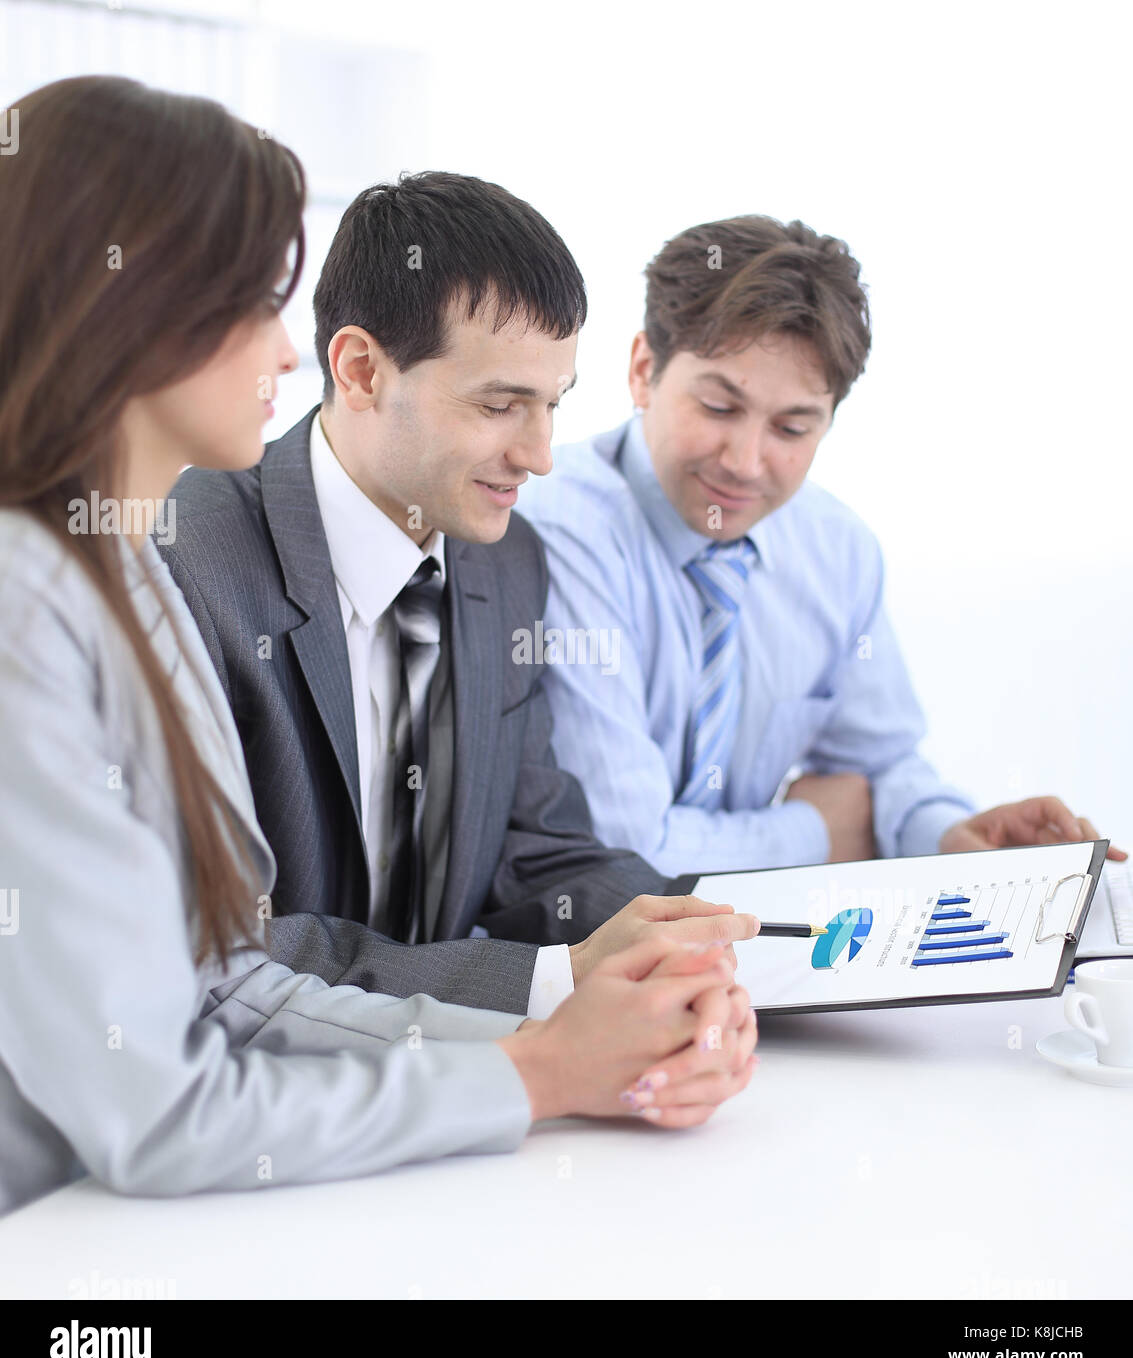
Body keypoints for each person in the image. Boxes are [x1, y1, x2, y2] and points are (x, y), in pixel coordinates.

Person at [0, 77, 755, 1218]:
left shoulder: (119, 572)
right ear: (130, 311)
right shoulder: (54, 598)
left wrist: (606, 996)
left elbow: (225, 986)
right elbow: (160, 1104)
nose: (283, 351)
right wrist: (533, 1064)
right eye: (255, 302)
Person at [163, 172, 755, 1023]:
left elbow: (532, 852)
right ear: (361, 370)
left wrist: (711, 933)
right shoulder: (190, 561)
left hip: (460, 1099)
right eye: (500, 404)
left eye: (551, 404)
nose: (540, 454)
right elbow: (219, 949)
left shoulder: (506, 561)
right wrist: (552, 983)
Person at [518, 215, 1125, 877]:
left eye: (792, 426)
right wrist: (818, 832)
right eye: (719, 408)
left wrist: (946, 833)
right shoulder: (557, 524)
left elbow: (880, 763)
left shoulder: (835, 550)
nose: (746, 462)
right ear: (642, 371)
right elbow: (622, 848)